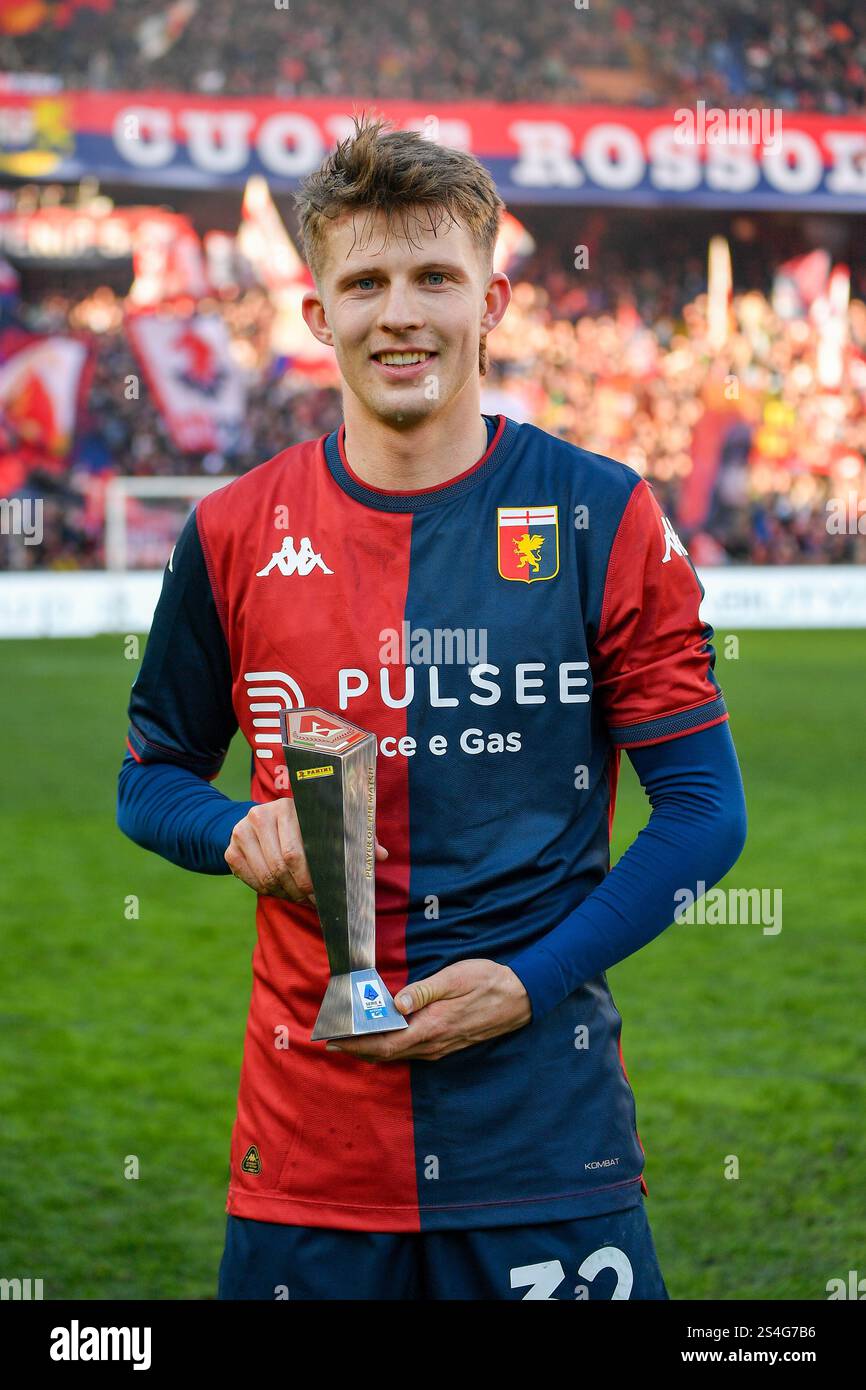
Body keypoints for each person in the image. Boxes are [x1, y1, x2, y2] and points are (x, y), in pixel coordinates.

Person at [117, 117, 747, 1301]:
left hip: (543, 1139)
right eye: (364, 283)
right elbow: (147, 775)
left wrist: (531, 978)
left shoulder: (601, 515)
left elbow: (705, 815)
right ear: (317, 315)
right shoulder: (230, 531)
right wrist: (227, 831)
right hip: (309, 1149)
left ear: (492, 299)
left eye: (432, 279)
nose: (398, 313)